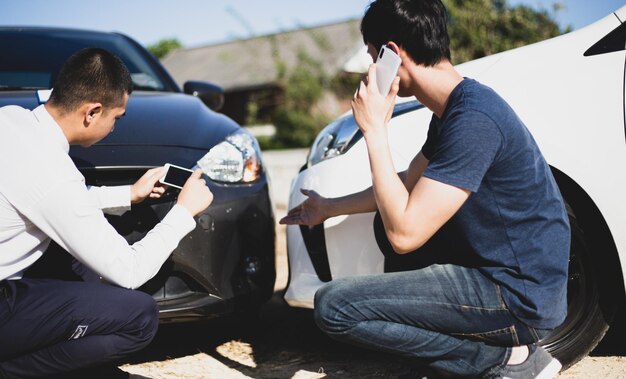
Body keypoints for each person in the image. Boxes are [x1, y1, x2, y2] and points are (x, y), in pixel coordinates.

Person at [280, 0, 570, 378]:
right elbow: (406, 184)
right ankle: (501, 352)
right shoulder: (457, 108)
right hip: (508, 279)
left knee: (334, 307)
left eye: (373, 57)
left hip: (516, 296)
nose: (370, 71)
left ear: (392, 54)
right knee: (384, 236)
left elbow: (404, 233)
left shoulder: (474, 119)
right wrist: (329, 207)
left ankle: (508, 361)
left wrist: (375, 131)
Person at [0, 48, 213, 378]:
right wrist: (183, 212)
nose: (114, 127)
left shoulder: (11, 118)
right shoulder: (53, 171)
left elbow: (44, 198)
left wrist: (129, 193)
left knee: (76, 260)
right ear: (91, 112)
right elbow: (128, 271)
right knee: (139, 317)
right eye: (116, 117)